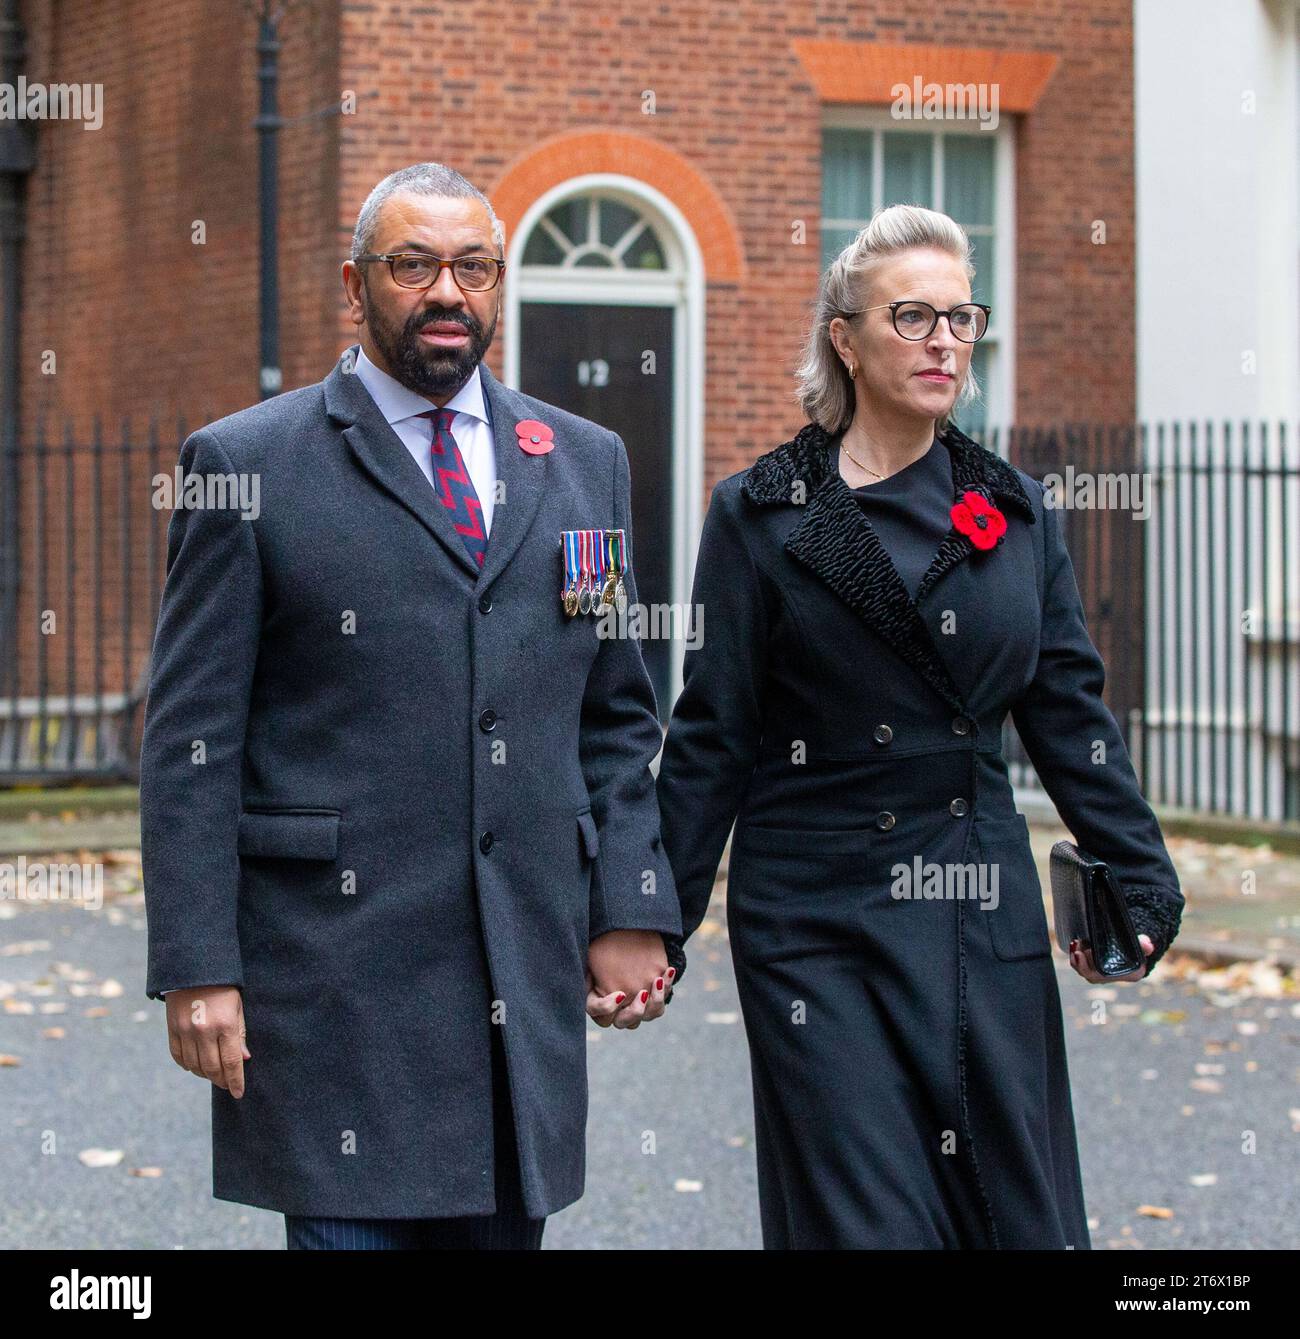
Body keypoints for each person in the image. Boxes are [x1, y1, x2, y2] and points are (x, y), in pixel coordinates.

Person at [140, 162, 679, 1250]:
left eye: (473, 266)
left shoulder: (583, 462)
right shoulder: (245, 465)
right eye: (412, 264)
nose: (448, 291)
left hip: (514, 979)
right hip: (334, 983)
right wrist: (199, 966)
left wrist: (629, 906)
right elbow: (194, 738)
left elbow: (615, 713)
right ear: (355, 284)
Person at [655, 203, 1183, 1249]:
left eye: (960, 317)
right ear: (843, 339)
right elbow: (714, 730)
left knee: (1010, 1212)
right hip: (815, 921)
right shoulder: (759, 512)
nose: (944, 339)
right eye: (912, 317)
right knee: (866, 1222)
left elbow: (1069, 712)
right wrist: (649, 920)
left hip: (975, 906)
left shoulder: (1015, 511)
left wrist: (1142, 877)